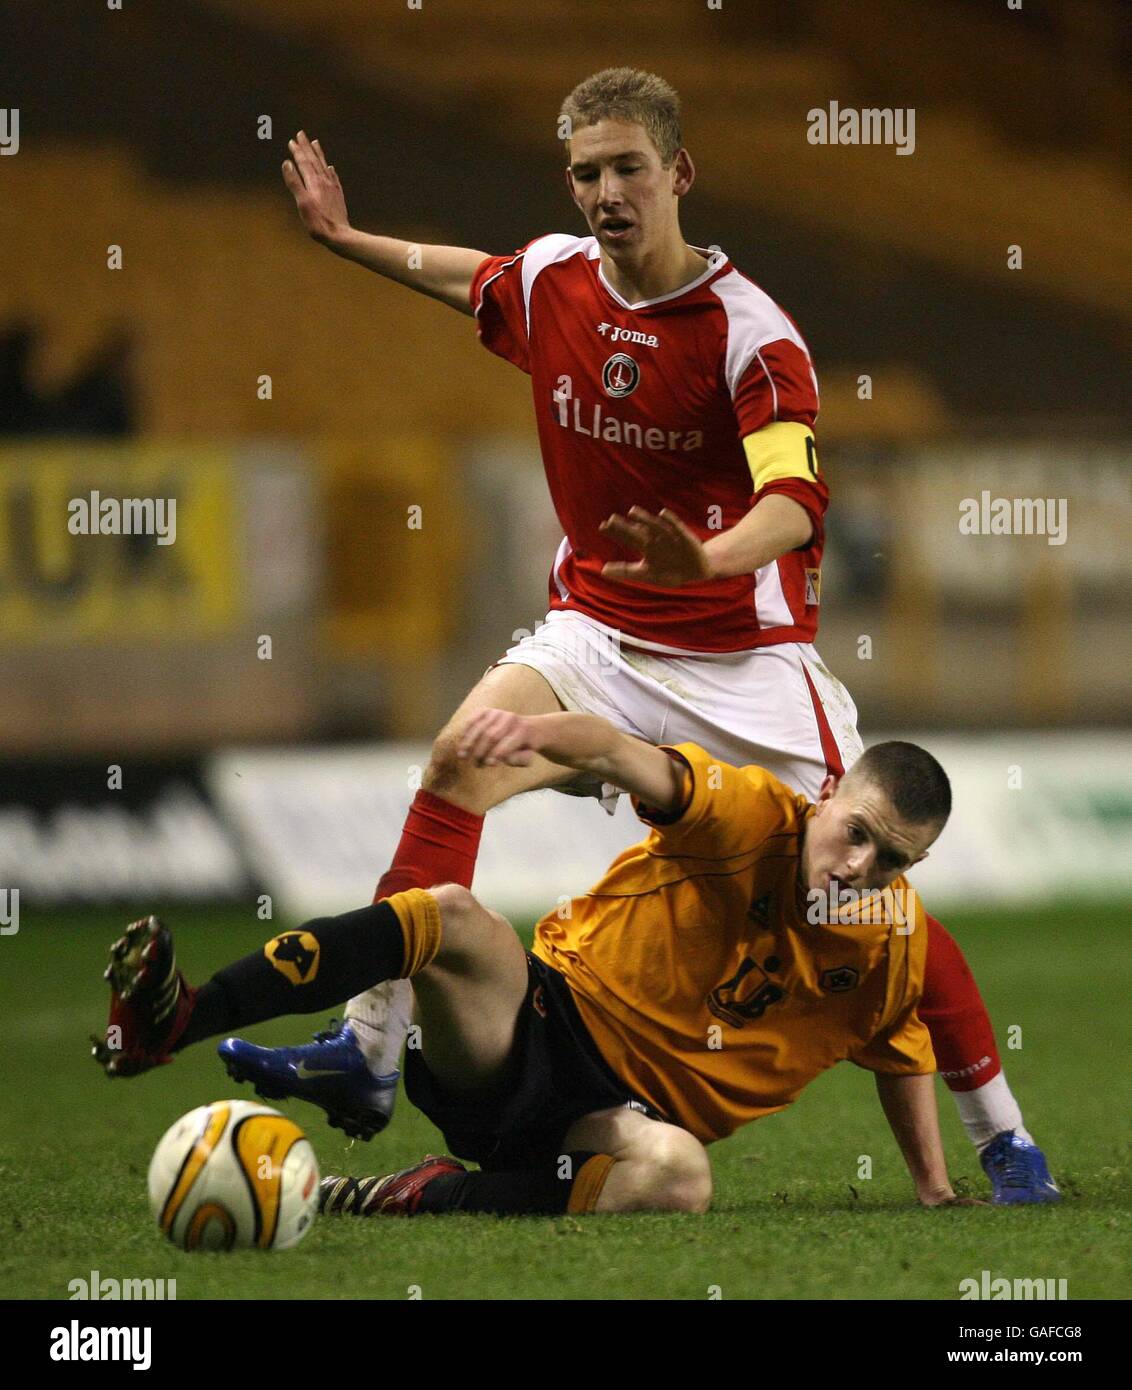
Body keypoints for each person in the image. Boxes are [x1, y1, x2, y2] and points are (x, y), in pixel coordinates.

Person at [246, 67, 1056, 1203]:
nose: (606, 192)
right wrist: (342, 238)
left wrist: (711, 557)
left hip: (746, 667)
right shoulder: (552, 279)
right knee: (455, 762)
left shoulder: (750, 333)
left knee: (875, 907)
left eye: (628, 167)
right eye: (585, 172)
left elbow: (793, 501)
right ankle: (369, 1048)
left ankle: (1002, 1139)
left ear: (679, 173)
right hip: (599, 638)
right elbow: (466, 275)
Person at [92, 709, 985, 1216]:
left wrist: (935, 1186)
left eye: (893, 858)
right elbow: (617, 754)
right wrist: (533, 732)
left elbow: (898, 1047)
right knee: (450, 915)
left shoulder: (889, 947)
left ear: (917, 868)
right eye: (858, 834)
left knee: (679, 1178)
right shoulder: (748, 815)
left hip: (606, 1127)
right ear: (827, 797)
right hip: (530, 1027)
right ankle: (175, 1018)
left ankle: (417, 1195)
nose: (863, 865)